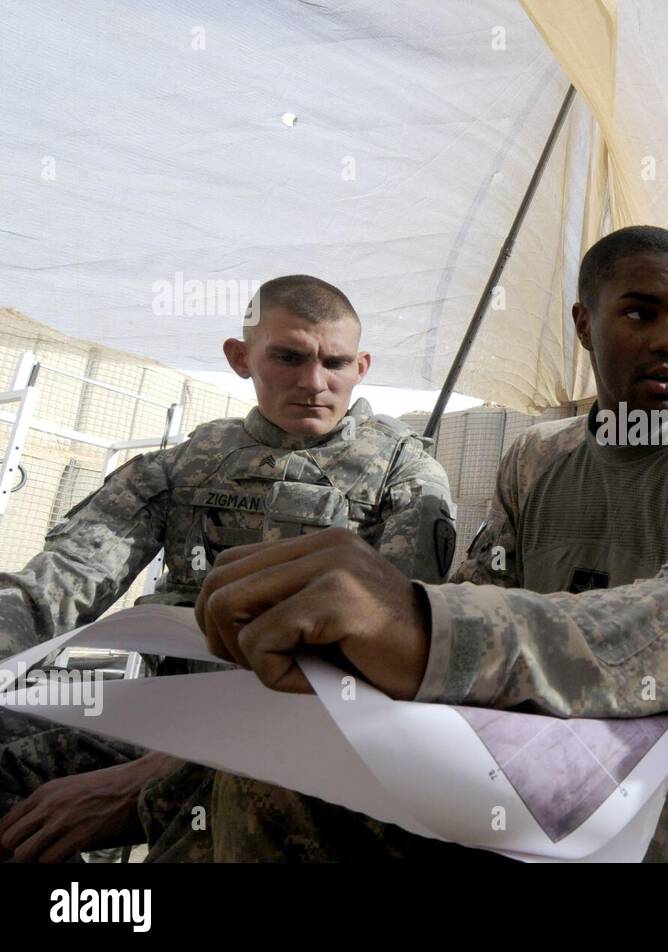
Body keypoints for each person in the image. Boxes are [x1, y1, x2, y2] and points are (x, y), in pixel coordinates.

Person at [189, 226, 668, 862]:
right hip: (524, 724)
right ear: (584, 323)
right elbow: (485, 588)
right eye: (638, 312)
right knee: (278, 774)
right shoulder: (537, 459)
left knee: (649, 818)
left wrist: (436, 630)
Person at [0, 275, 456, 863]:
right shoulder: (187, 465)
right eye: (289, 358)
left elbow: (381, 666)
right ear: (240, 359)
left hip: (296, 742)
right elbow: (58, 583)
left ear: (362, 365)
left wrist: (150, 779)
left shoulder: (405, 478)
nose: (315, 383)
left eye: (336, 362)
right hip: (158, 719)